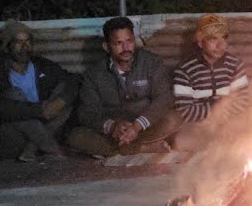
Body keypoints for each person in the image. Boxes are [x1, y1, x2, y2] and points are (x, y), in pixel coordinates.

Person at [68, 17, 177, 156]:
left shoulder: (151, 62)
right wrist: (112, 126)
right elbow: (87, 112)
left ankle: (128, 149)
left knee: (174, 118)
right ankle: (143, 149)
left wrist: (137, 126)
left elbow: (164, 98)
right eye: (118, 43)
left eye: (129, 41)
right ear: (106, 47)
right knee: (76, 136)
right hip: (114, 134)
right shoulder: (94, 74)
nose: (126, 48)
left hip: (146, 126)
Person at [0, 20, 76, 161]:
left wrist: (60, 101)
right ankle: (52, 149)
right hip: (12, 139)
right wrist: (39, 110)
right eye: (18, 42)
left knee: (66, 98)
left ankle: (32, 149)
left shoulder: (43, 66)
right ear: (7, 47)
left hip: (40, 134)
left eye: (28, 41)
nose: (25, 47)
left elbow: (74, 80)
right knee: (14, 95)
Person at [172, 15, 249, 149]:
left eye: (223, 38)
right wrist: (216, 108)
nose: (220, 45)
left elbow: (242, 101)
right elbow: (185, 111)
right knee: (185, 142)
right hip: (198, 127)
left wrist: (222, 118)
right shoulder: (184, 70)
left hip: (229, 124)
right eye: (213, 39)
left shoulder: (235, 65)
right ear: (201, 42)